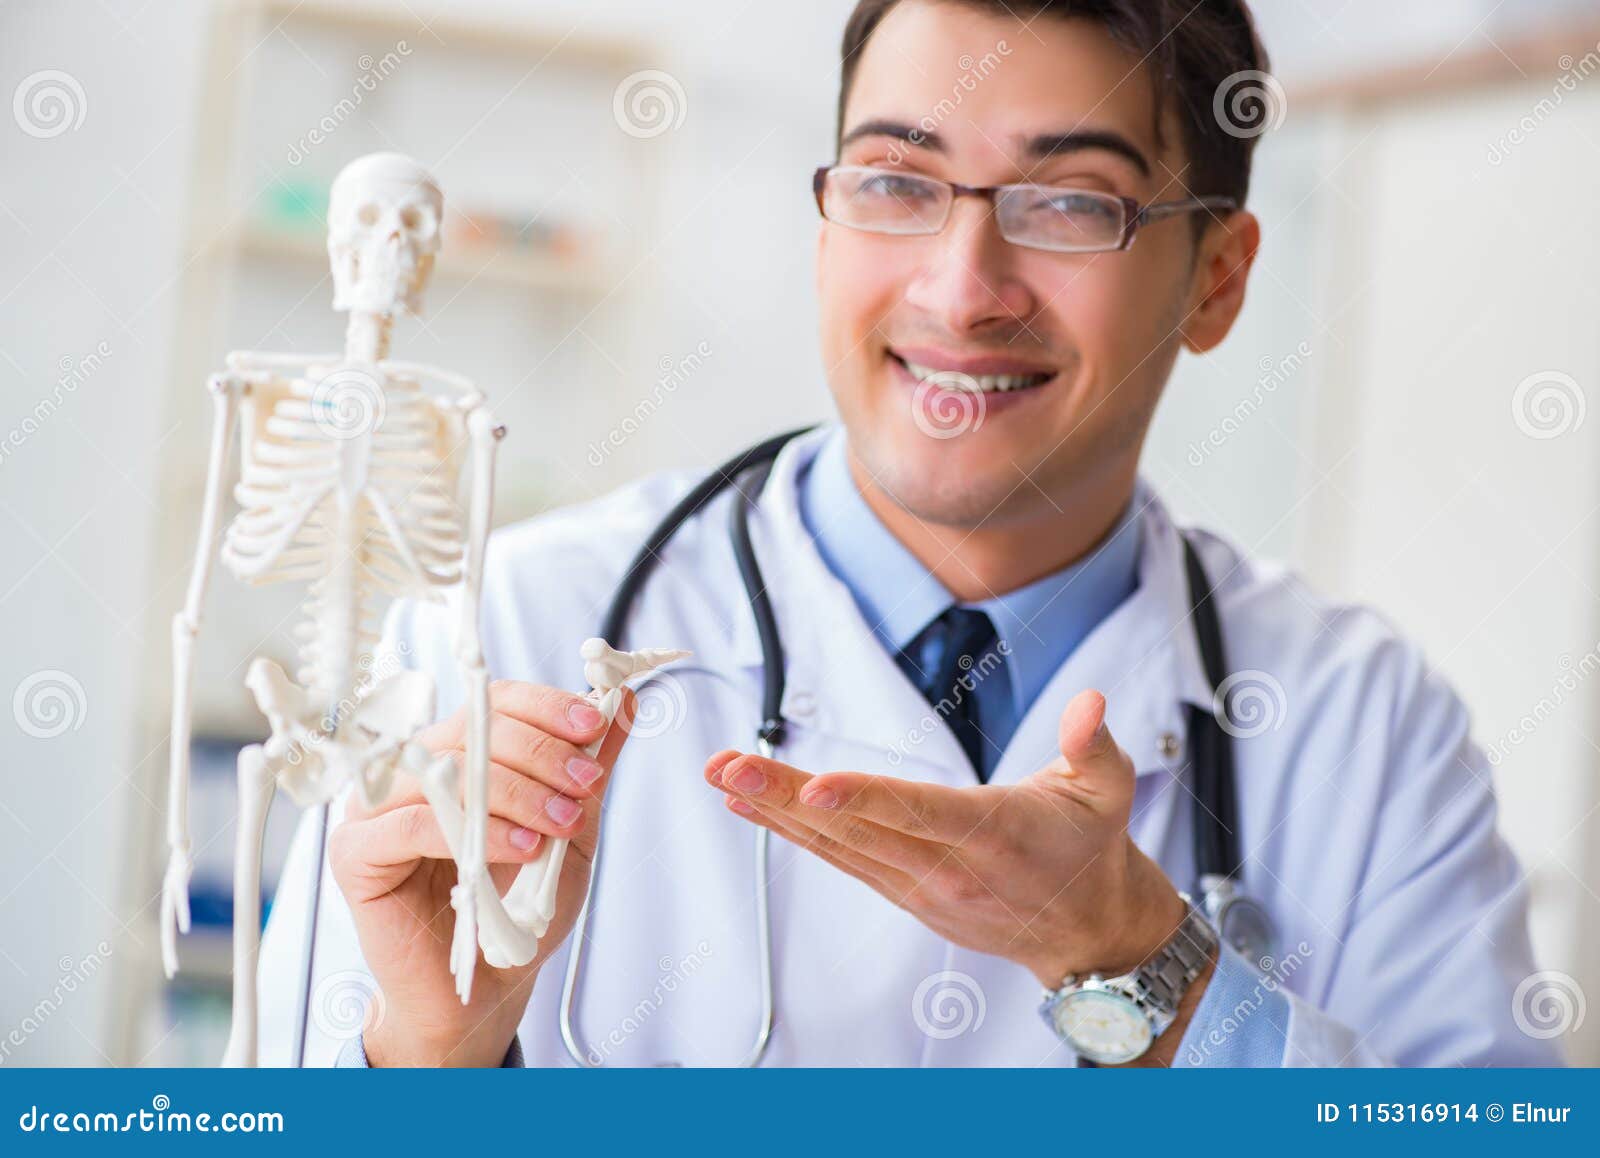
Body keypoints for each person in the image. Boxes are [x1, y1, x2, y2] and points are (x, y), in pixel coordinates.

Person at [255, 0, 1559, 1067]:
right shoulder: (507, 631)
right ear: (826, 223)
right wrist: (428, 1061)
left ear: (1216, 280)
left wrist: (1144, 964)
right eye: (896, 182)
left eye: (1070, 202)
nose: (962, 288)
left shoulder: (1363, 726)